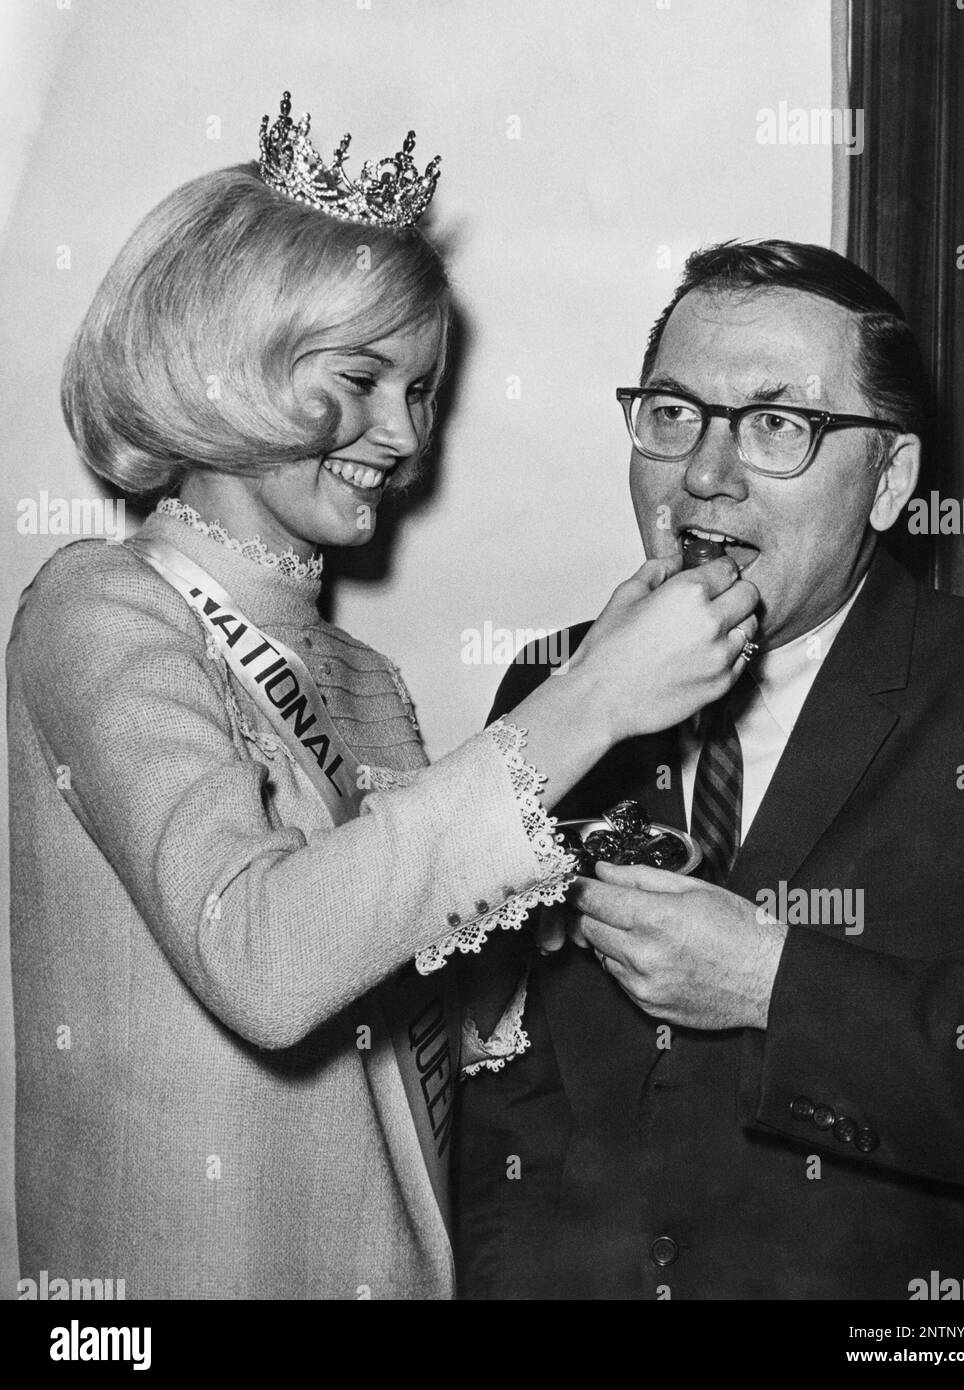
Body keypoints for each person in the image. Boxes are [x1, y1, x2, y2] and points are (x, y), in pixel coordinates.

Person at [7, 95, 760, 1300]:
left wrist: (546, 907)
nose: (401, 434)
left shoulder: (365, 680)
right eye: (361, 380)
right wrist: (584, 703)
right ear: (225, 359)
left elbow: (387, 1011)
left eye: (419, 392)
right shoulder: (100, 610)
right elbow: (259, 959)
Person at [454, 239, 964, 1300]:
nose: (704, 475)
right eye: (672, 414)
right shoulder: (554, 681)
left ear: (890, 480)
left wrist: (772, 983)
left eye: (777, 424)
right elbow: (502, 1070)